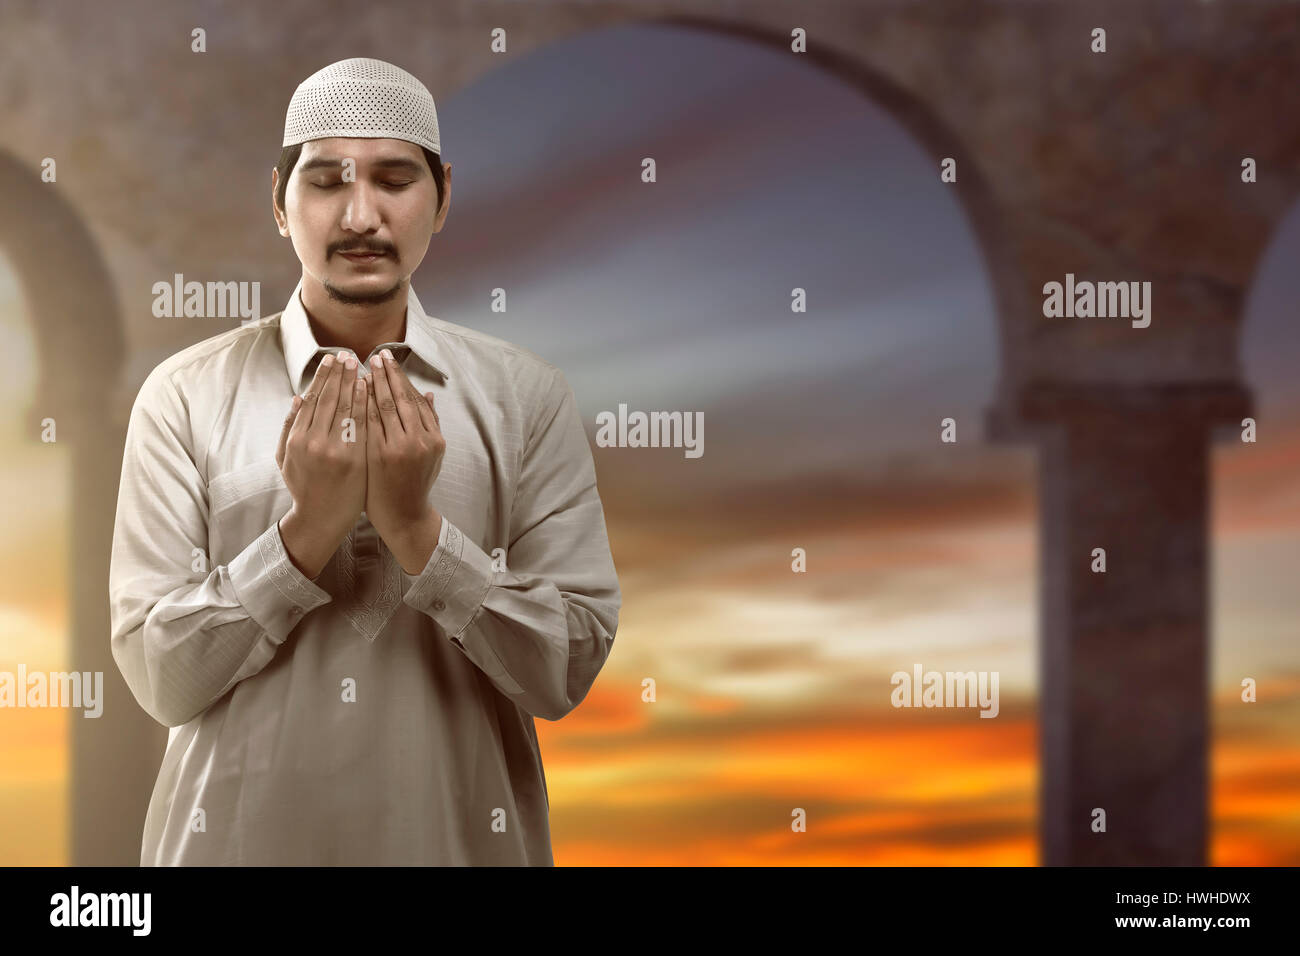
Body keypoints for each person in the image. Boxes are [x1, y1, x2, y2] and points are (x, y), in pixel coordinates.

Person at [108, 57, 621, 865]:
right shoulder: (184, 397)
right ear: (278, 201)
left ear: (443, 195)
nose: (360, 215)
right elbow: (157, 676)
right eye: (325, 181)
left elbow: (567, 669)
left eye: (393, 178)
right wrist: (304, 535)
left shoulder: (524, 397)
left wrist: (419, 532)